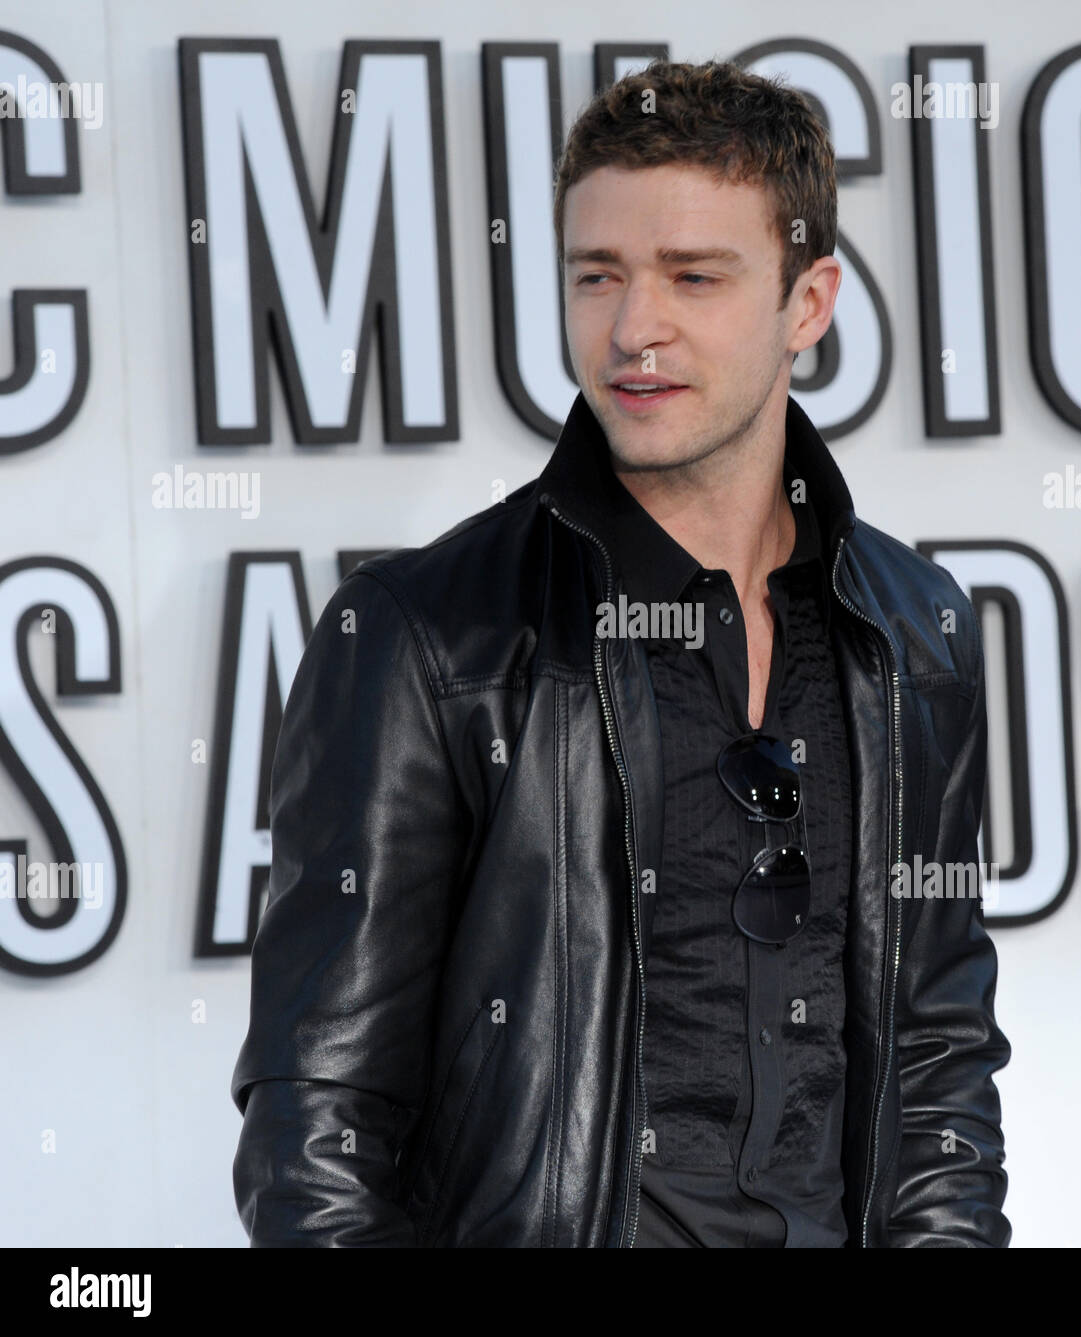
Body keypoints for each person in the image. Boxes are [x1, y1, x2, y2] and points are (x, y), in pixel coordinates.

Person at [230, 57, 1011, 1248]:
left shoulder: (915, 631)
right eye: (597, 276)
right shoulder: (427, 636)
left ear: (808, 303)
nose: (633, 329)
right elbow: (319, 1120)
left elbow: (937, 1063)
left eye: (693, 277)